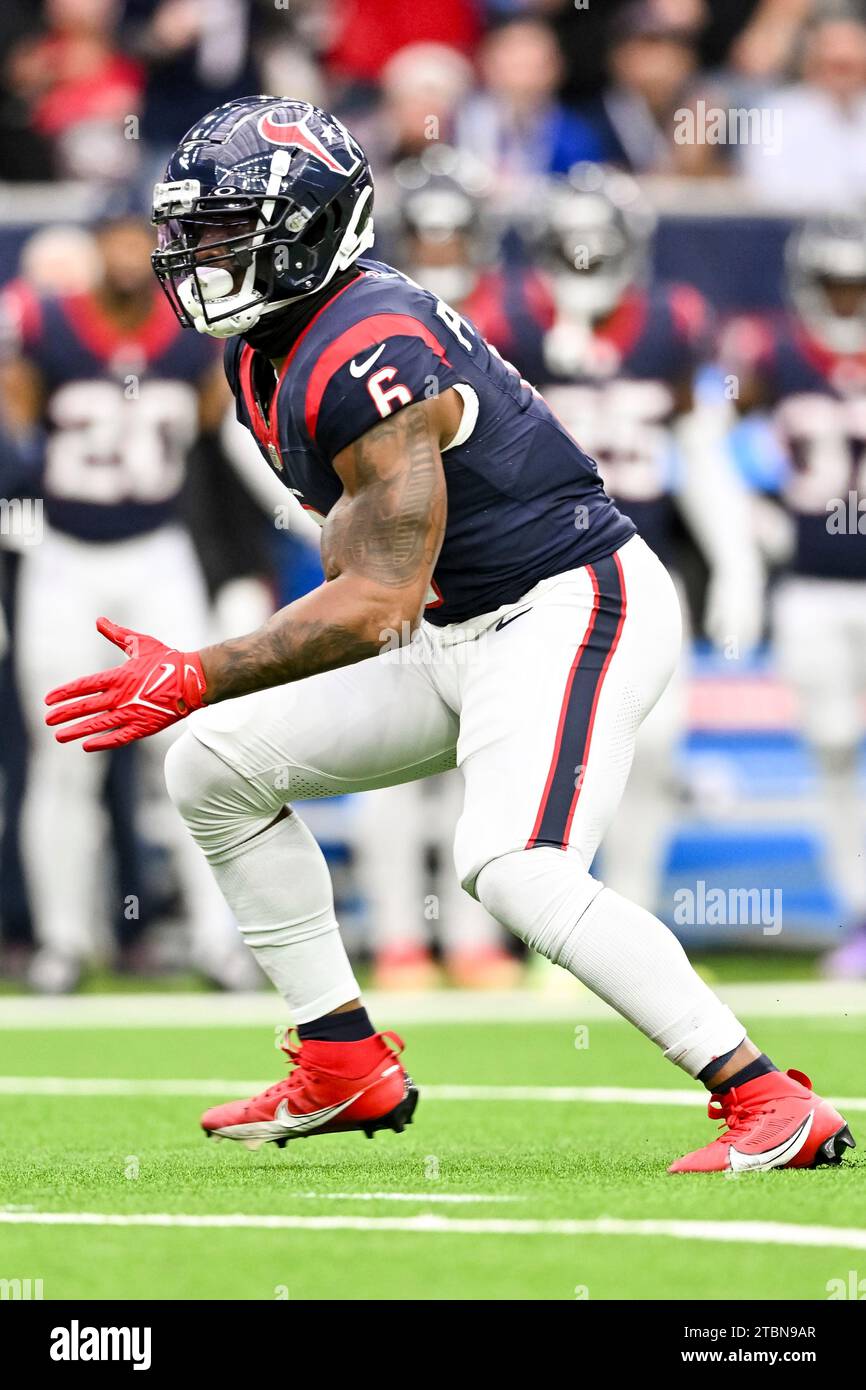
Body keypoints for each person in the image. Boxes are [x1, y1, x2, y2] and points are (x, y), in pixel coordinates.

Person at [46, 97, 853, 1173]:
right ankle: (340, 1058)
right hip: (461, 624)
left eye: (230, 228)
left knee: (513, 866)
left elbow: (376, 601)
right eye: (193, 229)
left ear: (310, 227)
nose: (200, 254)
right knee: (214, 768)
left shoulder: (368, 344)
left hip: (568, 603)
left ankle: (766, 1097)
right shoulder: (265, 348)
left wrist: (200, 669)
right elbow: (366, 563)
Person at [2, 212, 248, 991]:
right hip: (61, 557)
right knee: (63, 754)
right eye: (109, 237)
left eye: (133, 239)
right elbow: (14, 424)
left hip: (158, 557)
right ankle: (64, 943)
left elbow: (225, 430)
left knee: (191, 751)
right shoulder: (43, 326)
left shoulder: (195, 335)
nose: (120, 255)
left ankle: (218, 940)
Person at [523, 164, 764, 917]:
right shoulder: (506, 323)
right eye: (573, 249)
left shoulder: (672, 323)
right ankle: (543, 923)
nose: (585, 266)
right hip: (533, 575)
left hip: (642, 569)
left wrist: (736, 562)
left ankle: (630, 922)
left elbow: (701, 450)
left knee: (651, 751)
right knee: (538, 757)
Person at [721, 215, 866, 977]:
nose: (845, 301)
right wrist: (757, 508)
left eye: (857, 285)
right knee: (834, 748)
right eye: (835, 285)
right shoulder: (771, 352)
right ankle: (858, 914)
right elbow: (723, 433)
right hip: (810, 585)